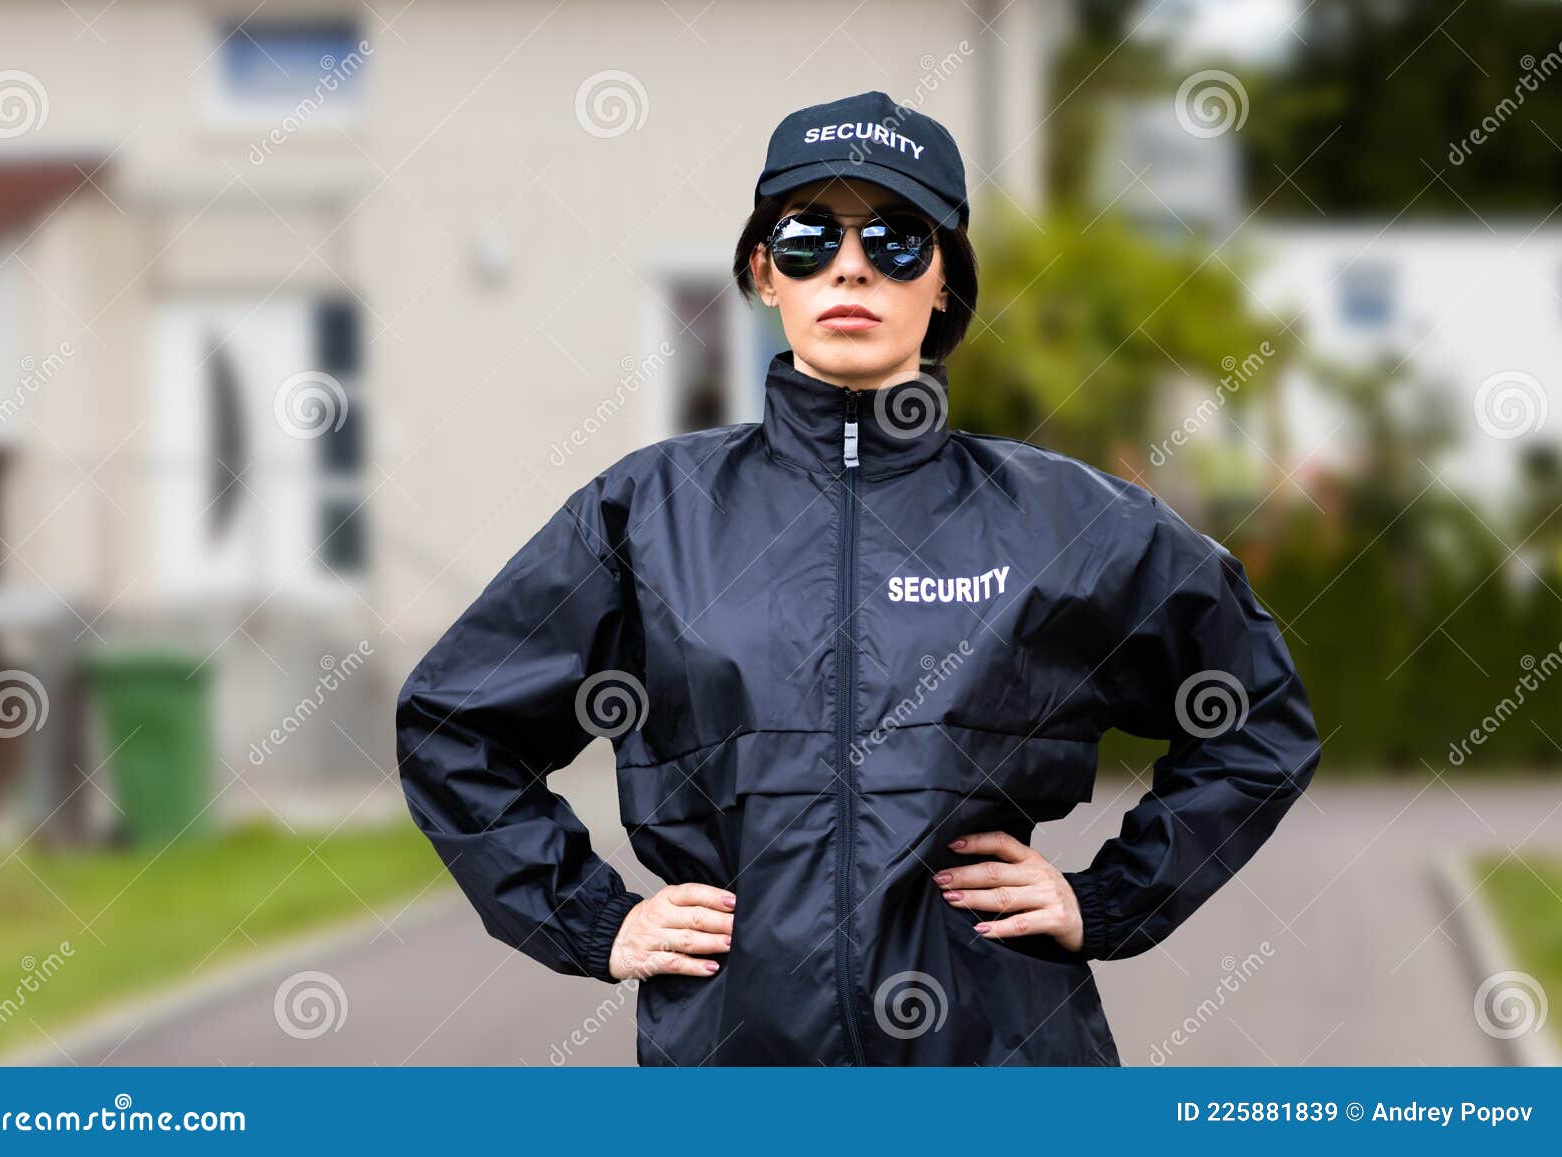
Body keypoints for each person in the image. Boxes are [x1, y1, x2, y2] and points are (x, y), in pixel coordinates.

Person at [395, 89, 1321, 1066]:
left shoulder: (1066, 523)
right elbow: (458, 724)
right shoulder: (649, 514)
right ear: (762, 273)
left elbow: (1257, 717)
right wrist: (594, 921)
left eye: (895, 239)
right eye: (806, 236)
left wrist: (1106, 898)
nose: (849, 265)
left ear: (943, 286)